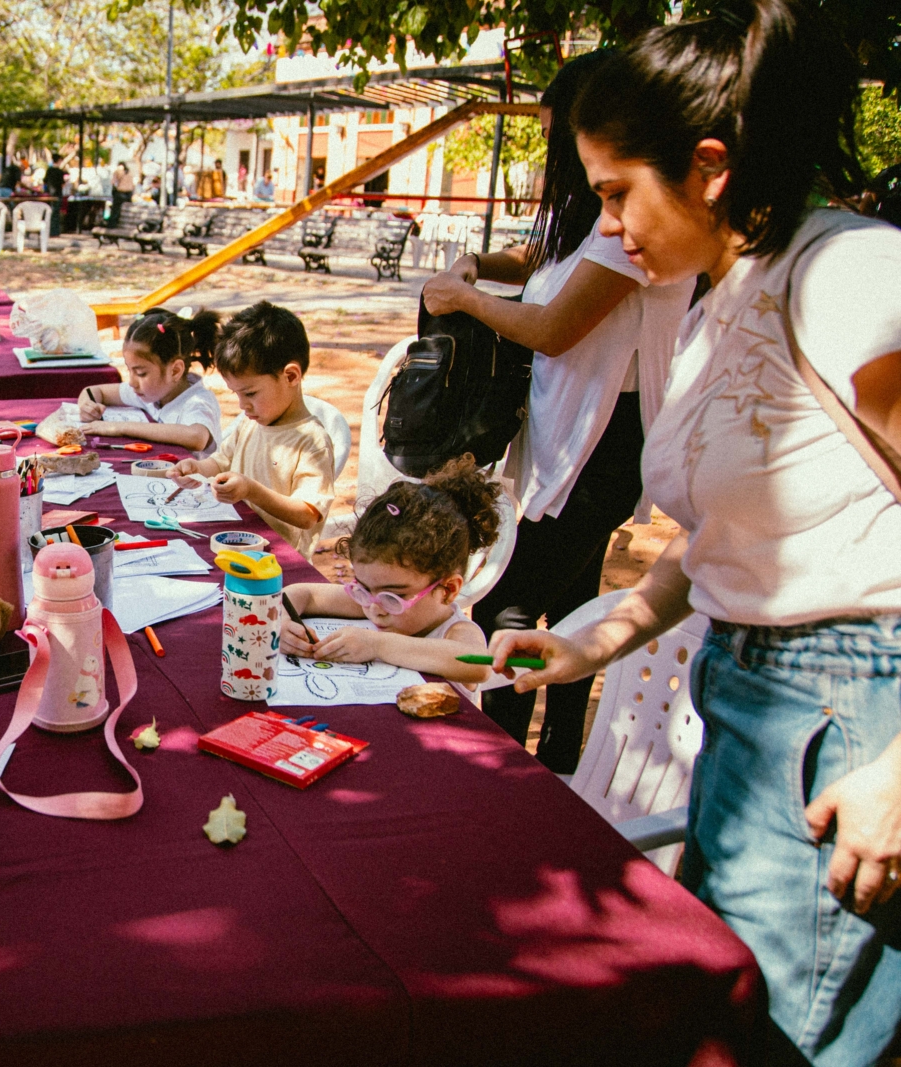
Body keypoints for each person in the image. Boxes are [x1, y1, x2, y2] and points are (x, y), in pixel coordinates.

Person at [491, 2, 901, 1062]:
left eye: (619, 193)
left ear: (710, 166)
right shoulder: (719, 294)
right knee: (730, 1003)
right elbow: (737, 527)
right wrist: (605, 631)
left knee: (781, 1035)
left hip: (852, 713)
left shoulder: (848, 276)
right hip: (757, 697)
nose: (611, 227)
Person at [418, 50, 692, 774]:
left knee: (506, 604)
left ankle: (501, 769)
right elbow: (543, 259)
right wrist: (482, 267)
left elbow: (554, 326)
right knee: (572, 597)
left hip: (602, 439)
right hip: (568, 432)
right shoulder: (599, 222)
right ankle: (563, 762)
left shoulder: (636, 229)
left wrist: (465, 300)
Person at [279, 456, 495, 687]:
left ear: (448, 589)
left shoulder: (456, 631)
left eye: (393, 596)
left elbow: (479, 665)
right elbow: (302, 594)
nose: (374, 609)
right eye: (362, 588)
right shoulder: (374, 602)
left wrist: (377, 645)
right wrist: (281, 624)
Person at [170, 302, 335, 553]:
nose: (242, 405)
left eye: (250, 393)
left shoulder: (311, 441)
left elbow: (307, 515)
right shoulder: (250, 423)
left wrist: (251, 490)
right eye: (236, 394)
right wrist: (198, 469)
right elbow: (221, 462)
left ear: (290, 376)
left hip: (277, 564)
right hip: (236, 545)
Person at [76, 307, 224, 457]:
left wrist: (119, 428)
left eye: (141, 373)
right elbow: (94, 391)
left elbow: (196, 437)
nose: (132, 382)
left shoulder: (198, 402)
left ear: (175, 371)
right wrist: (87, 406)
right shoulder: (153, 391)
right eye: (129, 371)